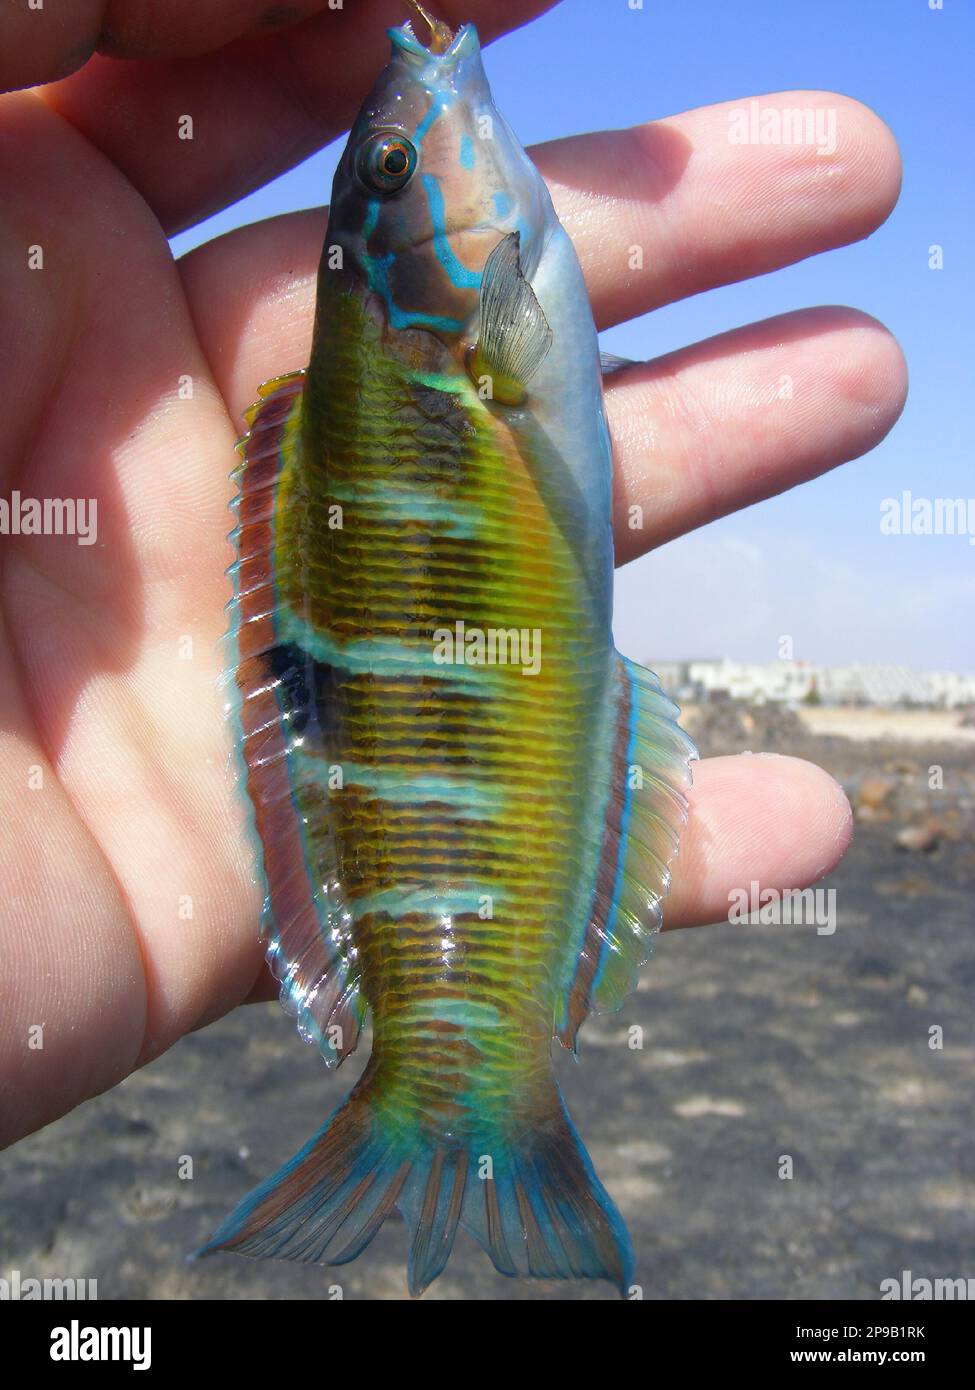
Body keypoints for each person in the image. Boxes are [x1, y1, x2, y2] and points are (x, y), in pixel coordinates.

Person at [0, 0, 906, 1150]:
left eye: (382, 165)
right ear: (393, 263)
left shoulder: (470, 330)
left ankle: (458, 1083)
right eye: (393, 166)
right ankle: (462, 1086)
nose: (408, 124)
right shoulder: (478, 334)